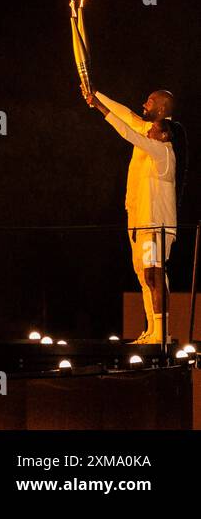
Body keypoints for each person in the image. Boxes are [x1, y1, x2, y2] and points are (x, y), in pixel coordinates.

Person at [86, 88, 178, 344]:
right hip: (141, 220)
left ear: (162, 114)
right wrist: (97, 96)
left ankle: (162, 333)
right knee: (144, 274)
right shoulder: (150, 131)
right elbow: (126, 116)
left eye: (150, 101)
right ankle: (153, 330)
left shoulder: (162, 149)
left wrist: (101, 108)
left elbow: (127, 132)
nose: (144, 104)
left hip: (157, 225)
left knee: (154, 274)